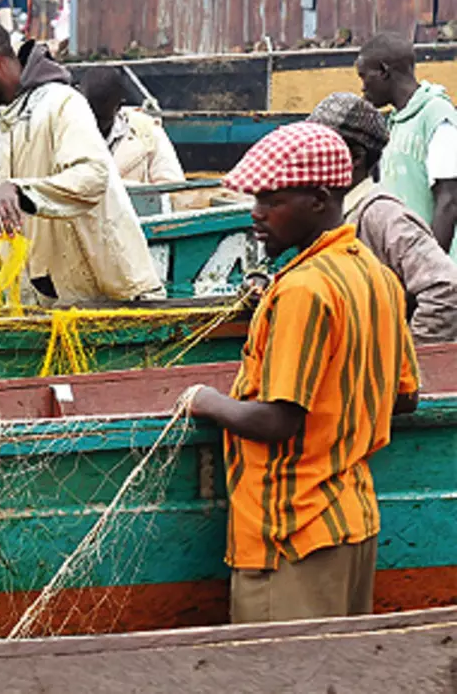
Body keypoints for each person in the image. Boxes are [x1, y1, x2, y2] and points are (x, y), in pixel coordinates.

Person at [188, 122, 419, 624]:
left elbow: (278, 422)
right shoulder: (376, 276)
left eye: (271, 200)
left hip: (290, 532)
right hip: (351, 523)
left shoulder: (303, 290)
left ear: (319, 198)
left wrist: (205, 399)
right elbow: (404, 398)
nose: (256, 213)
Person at [0, 20, 163, 303]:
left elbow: (92, 175)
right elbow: (14, 220)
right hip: (51, 304)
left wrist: (19, 191)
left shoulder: (61, 103)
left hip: (112, 297)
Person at [307, 92, 457, 344]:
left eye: (320, 150)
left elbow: (445, 289)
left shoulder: (382, 215)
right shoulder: (334, 215)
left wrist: (408, 360)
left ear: (355, 157)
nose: (309, 159)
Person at [356, 32, 457, 257]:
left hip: (438, 278)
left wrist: (431, 272)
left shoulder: (437, 115)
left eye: (364, 77)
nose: (363, 88)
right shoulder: (395, 122)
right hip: (406, 266)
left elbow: (449, 200)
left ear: (383, 71)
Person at [79, 66, 185, 185]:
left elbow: (172, 187)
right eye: (89, 115)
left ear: (119, 106)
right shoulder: (62, 132)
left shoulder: (147, 132)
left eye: (102, 119)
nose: (95, 124)